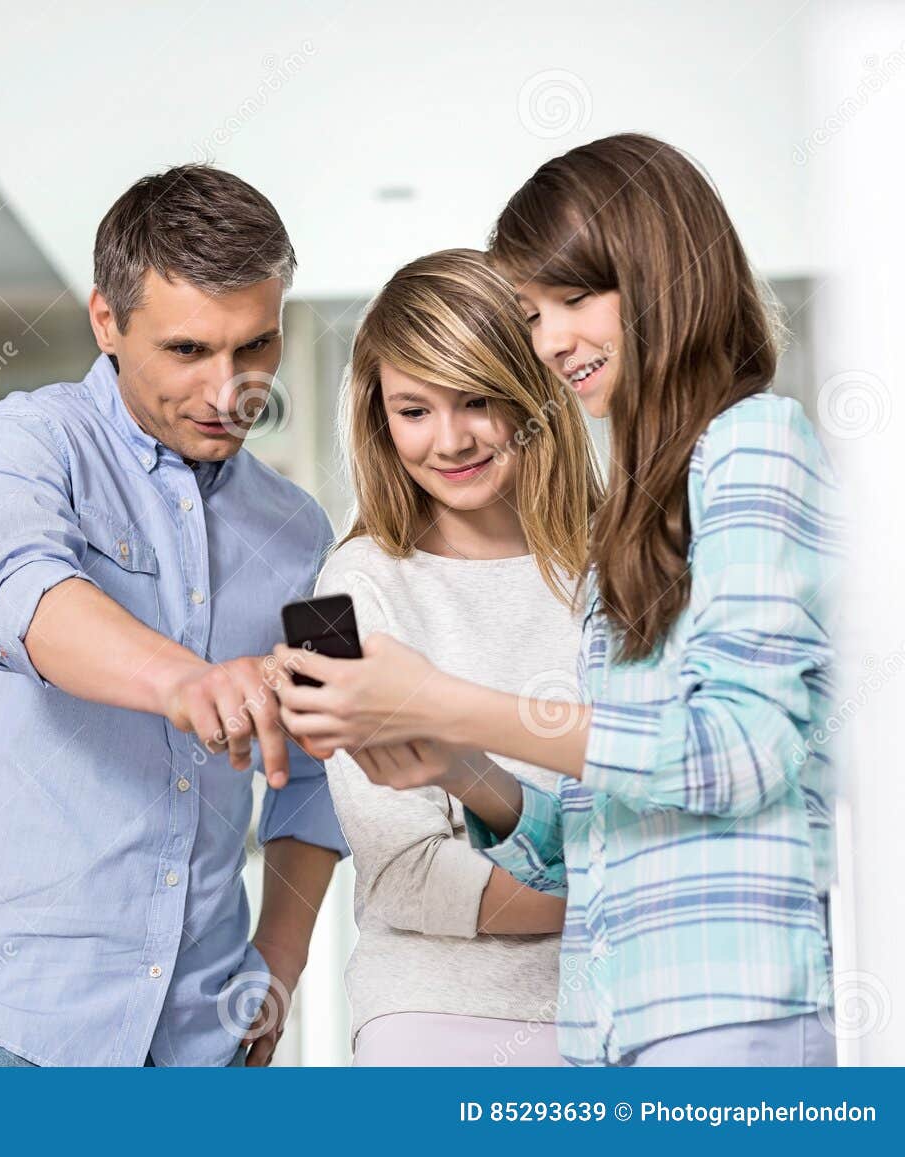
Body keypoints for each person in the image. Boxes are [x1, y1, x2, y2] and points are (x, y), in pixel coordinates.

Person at [275, 134, 839, 1066]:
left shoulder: (749, 447)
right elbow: (601, 833)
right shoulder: (642, 520)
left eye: (574, 300)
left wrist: (445, 703)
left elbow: (740, 751)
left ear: (663, 278)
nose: (553, 339)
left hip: (720, 1013)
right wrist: (461, 763)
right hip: (609, 1028)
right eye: (538, 313)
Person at [0, 164, 347, 1067]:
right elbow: (25, 595)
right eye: (188, 350)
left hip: (200, 1034)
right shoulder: (25, 441)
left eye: (256, 346)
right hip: (0, 1025)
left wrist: (280, 966)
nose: (230, 391)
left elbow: (318, 771)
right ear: (107, 320)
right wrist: (186, 680)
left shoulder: (305, 532)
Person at [316, 249, 601, 1066]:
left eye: (478, 399)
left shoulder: (623, 562)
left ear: (533, 393)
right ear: (378, 417)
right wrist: (623, 888)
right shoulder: (345, 590)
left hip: (626, 1015)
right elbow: (405, 873)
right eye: (413, 410)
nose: (449, 440)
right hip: (434, 1020)